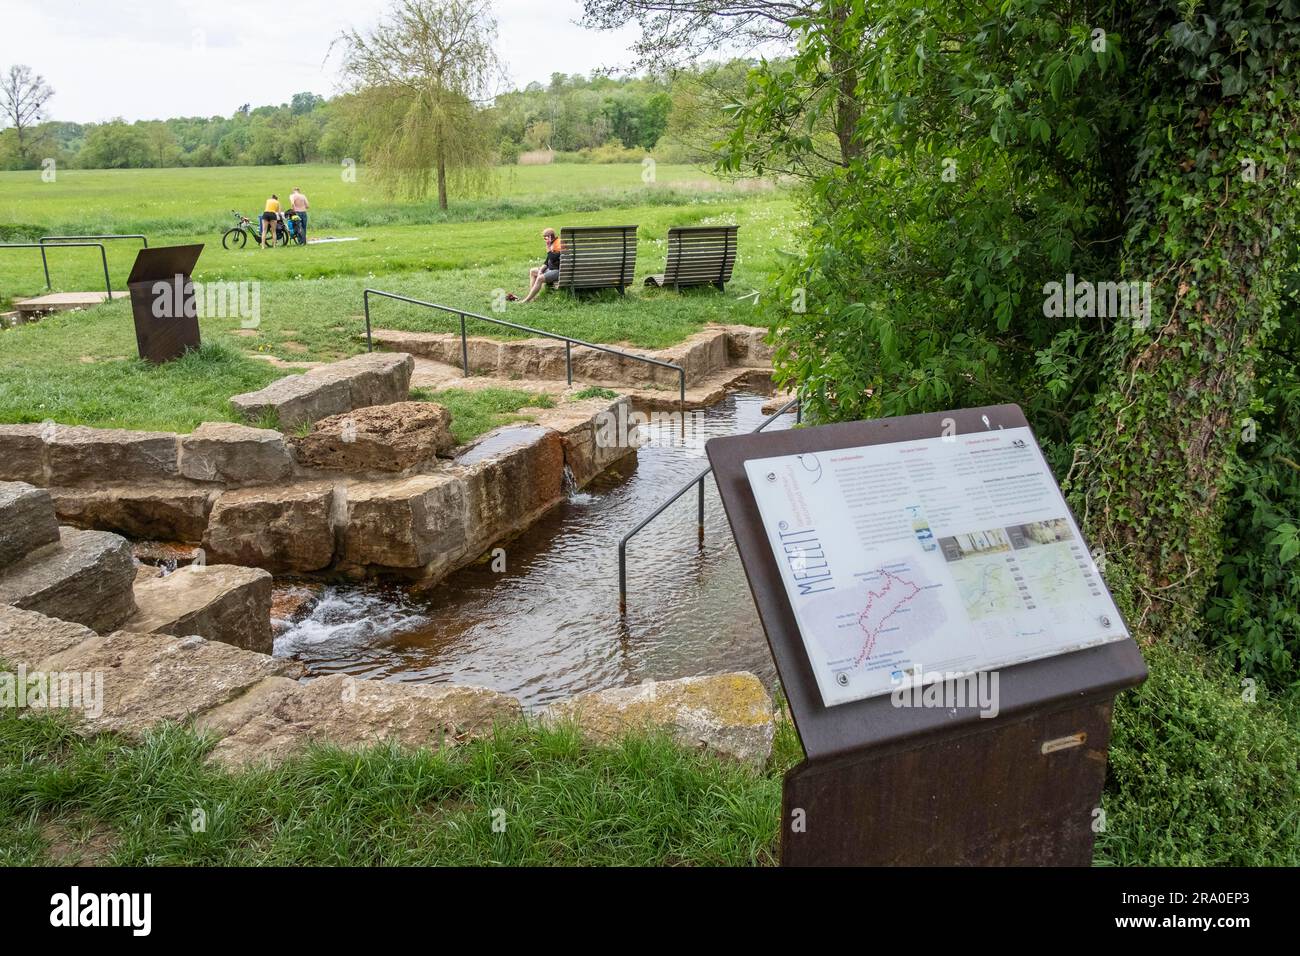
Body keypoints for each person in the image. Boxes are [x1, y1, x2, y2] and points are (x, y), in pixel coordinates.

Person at [512, 227, 563, 303]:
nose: (544, 240)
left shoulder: (558, 244)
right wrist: (541, 270)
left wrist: (548, 248)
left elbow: (553, 259)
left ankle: (526, 300)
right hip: (552, 269)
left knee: (540, 278)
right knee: (533, 271)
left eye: (545, 238)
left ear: (550, 237)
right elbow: (547, 260)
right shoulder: (554, 243)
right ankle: (532, 297)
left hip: (559, 271)